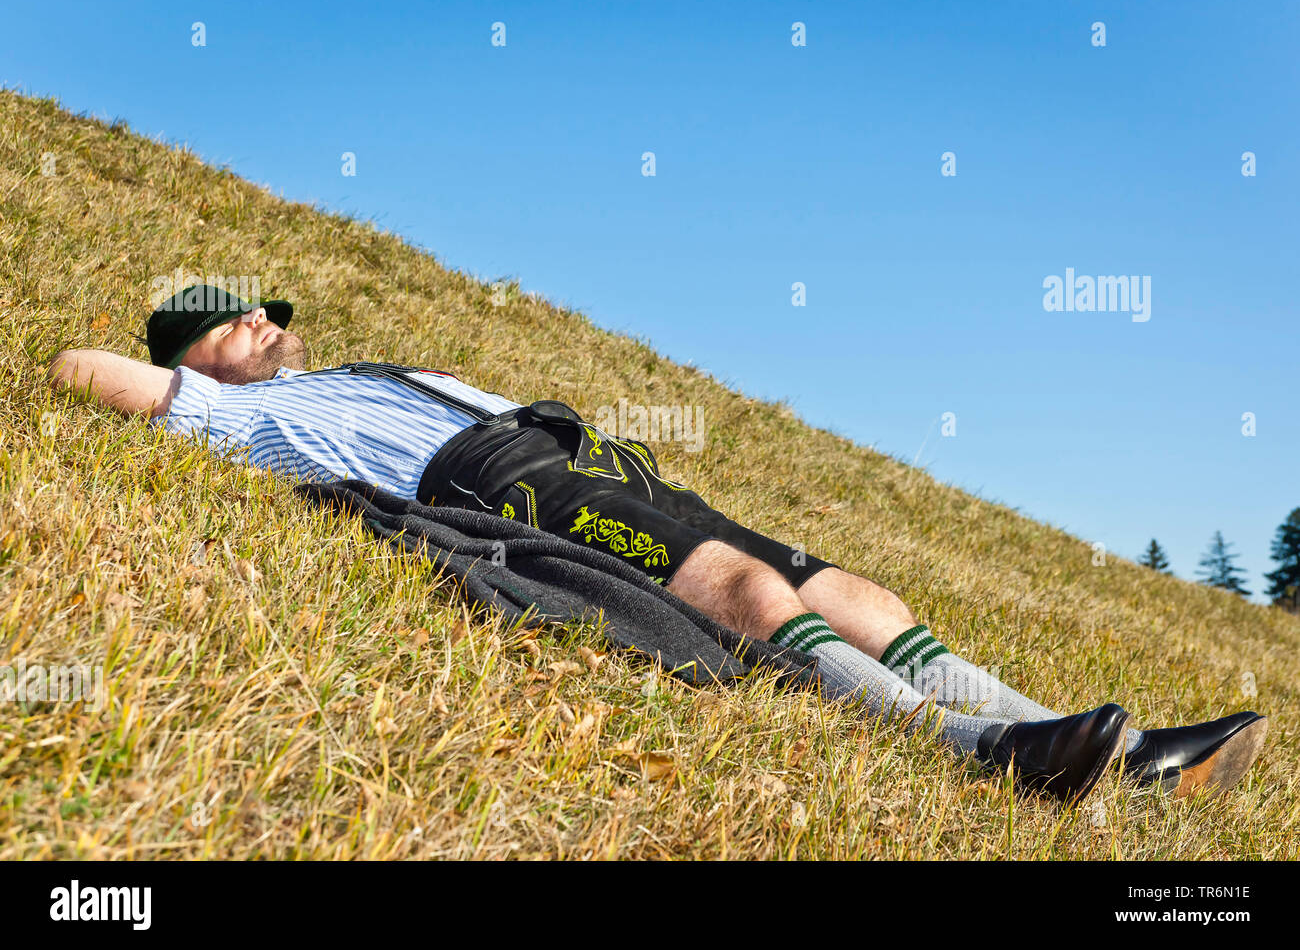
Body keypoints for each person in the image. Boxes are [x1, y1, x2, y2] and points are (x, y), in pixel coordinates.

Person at [48, 286, 1267, 806]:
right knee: (736, 589)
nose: (260, 323)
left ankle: (1107, 745)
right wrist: (174, 376)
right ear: (188, 355)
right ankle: (978, 751)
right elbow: (75, 369)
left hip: (573, 454)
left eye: (263, 310)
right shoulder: (239, 415)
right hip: (489, 480)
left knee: (840, 581)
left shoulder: (355, 367)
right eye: (227, 321)